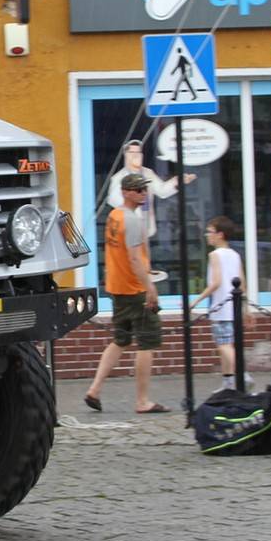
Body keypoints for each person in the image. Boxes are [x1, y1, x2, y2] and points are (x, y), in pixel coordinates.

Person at [83, 173, 169, 414]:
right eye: (139, 189)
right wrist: (150, 287)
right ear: (127, 192)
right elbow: (133, 258)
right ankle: (143, 401)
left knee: (120, 340)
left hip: (118, 287)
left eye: (144, 189)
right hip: (135, 289)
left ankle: (94, 389)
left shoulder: (114, 216)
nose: (144, 193)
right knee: (147, 343)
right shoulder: (131, 219)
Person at [197, 216, 245, 386]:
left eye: (210, 232)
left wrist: (196, 301)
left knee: (223, 345)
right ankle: (228, 382)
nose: (207, 235)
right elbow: (242, 281)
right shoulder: (235, 255)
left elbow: (215, 282)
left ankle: (242, 376)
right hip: (234, 308)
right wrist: (245, 308)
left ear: (220, 235)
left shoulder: (214, 255)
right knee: (228, 344)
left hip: (221, 308)